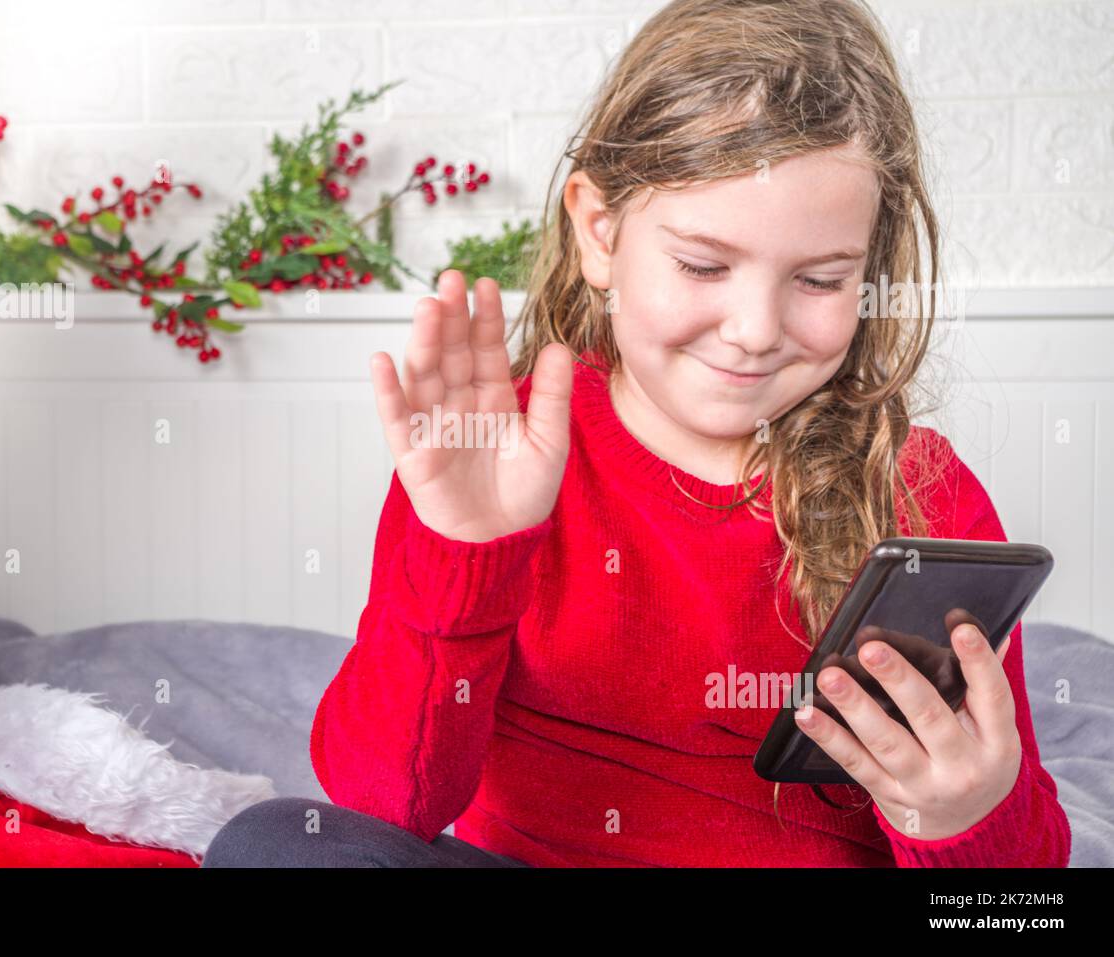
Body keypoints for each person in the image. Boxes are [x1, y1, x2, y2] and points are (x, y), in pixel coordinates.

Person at [204, 0, 1071, 868]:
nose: (754, 328)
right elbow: (386, 799)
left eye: (819, 278)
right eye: (703, 265)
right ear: (600, 232)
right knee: (274, 844)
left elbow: (1008, 900)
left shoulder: (923, 492)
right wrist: (466, 549)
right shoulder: (490, 449)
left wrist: (963, 813)